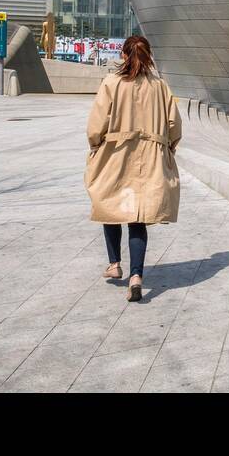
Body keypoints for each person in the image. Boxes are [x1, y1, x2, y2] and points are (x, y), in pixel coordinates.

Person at [85, 35, 182, 302]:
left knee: (110, 204)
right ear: (149, 56)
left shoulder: (112, 83)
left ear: (124, 55)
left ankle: (115, 263)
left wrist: (95, 146)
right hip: (150, 155)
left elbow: (96, 124)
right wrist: (168, 147)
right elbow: (174, 125)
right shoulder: (160, 87)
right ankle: (137, 276)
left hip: (115, 153)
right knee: (138, 216)